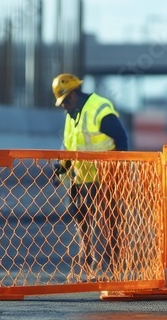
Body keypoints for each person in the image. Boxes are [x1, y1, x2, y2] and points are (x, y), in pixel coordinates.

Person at [51, 73, 129, 279]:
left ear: (74, 95)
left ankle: (113, 265)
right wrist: (60, 171)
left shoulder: (98, 108)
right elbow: (68, 146)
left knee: (109, 220)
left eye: (65, 101)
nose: (63, 106)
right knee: (81, 216)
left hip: (106, 175)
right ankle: (89, 260)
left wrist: (121, 169)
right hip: (82, 176)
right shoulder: (71, 115)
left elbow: (121, 137)